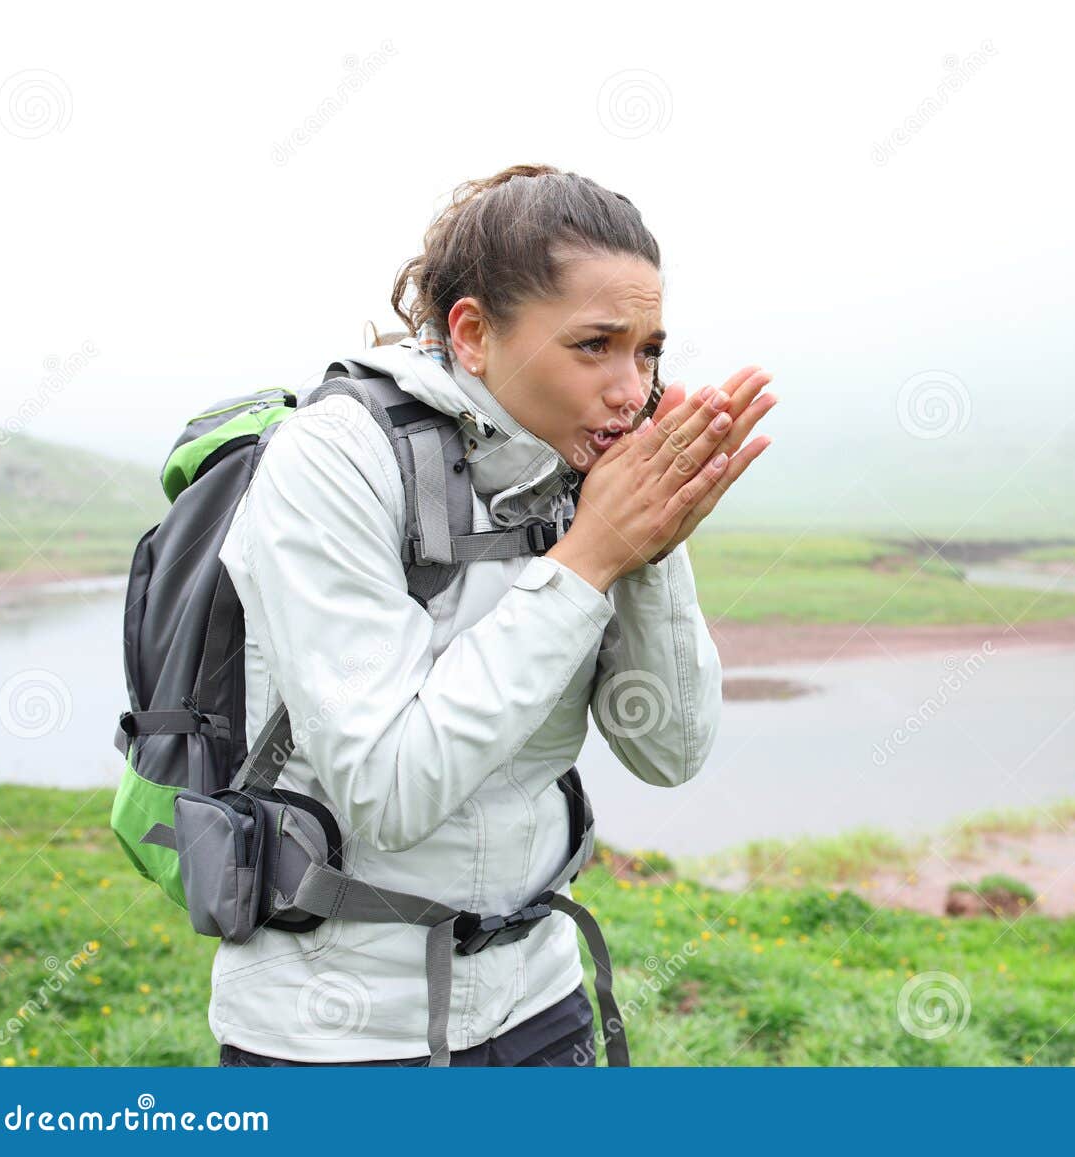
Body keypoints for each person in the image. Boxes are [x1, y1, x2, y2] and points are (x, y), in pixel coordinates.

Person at [210, 163, 777, 1066]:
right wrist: (590, 557)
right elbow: (386, 791)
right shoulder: (333, 459)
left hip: (540, 997)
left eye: (648, 351)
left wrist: (652, 545)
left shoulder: (585, 466)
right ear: (473, 334)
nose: (632, 390)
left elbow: (669, 753)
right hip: (337, 1031)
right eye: (594, 345)